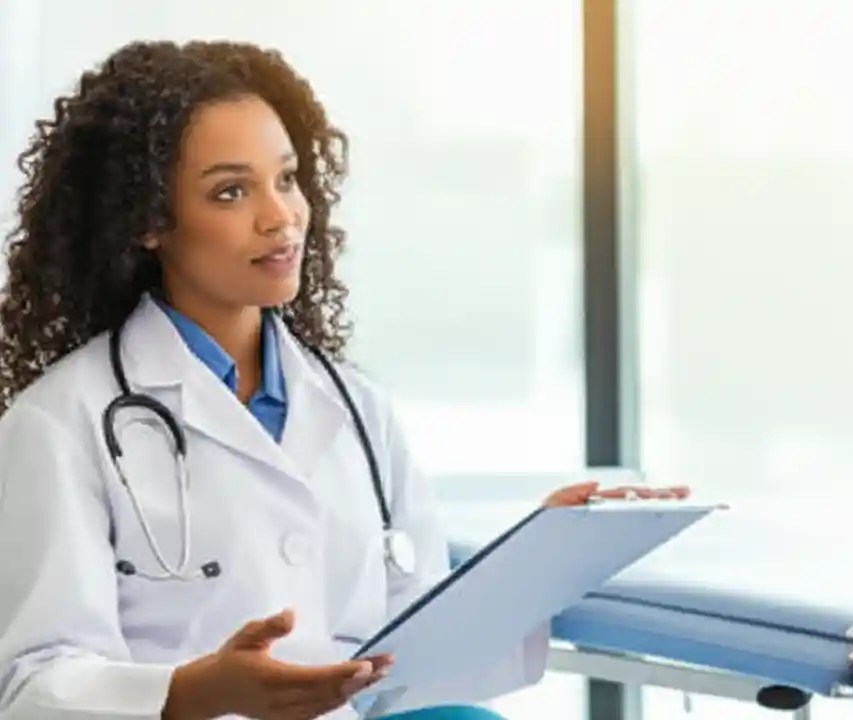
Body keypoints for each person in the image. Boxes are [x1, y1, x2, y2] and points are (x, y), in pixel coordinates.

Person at [0, 40, 687, 719]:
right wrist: (198, 691)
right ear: (149, 222)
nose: (282, 217)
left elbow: (409, 663)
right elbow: (34, 690)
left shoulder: (357, 411)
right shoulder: (61, 423)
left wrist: (540, 561)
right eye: (231, 191)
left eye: (288, 178)